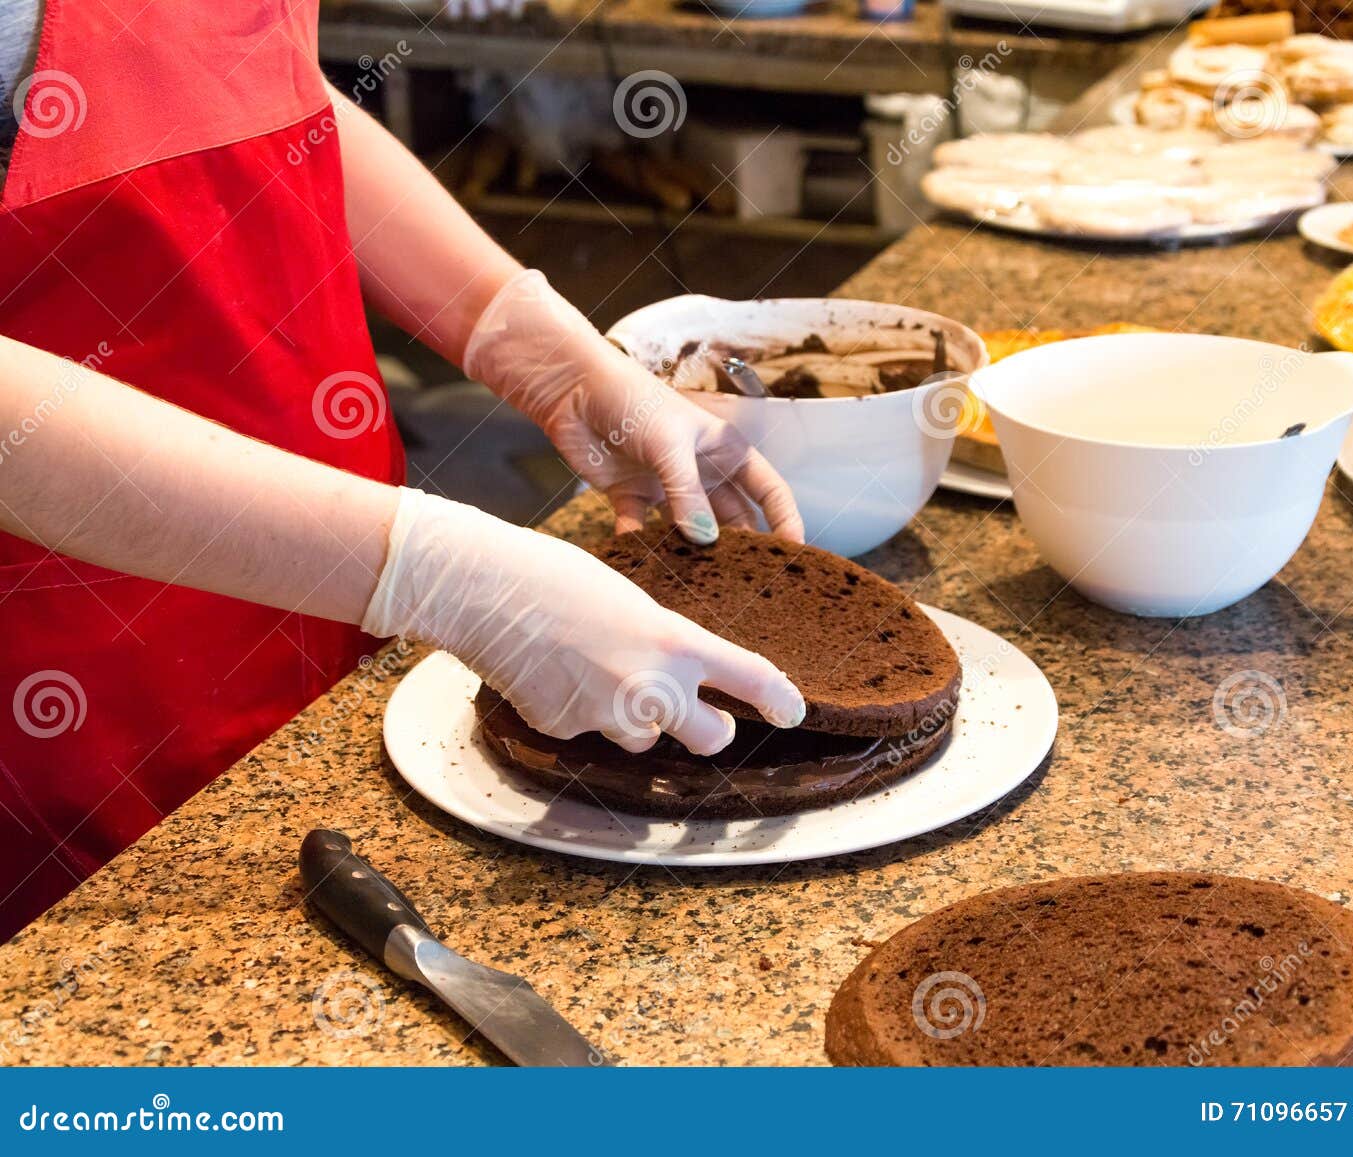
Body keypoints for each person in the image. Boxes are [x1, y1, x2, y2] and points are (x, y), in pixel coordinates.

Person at [0, 4, 806, 940]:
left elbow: (260, 86)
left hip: (332, 600)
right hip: (80, 680)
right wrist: (445, 575)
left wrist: (544, 355)